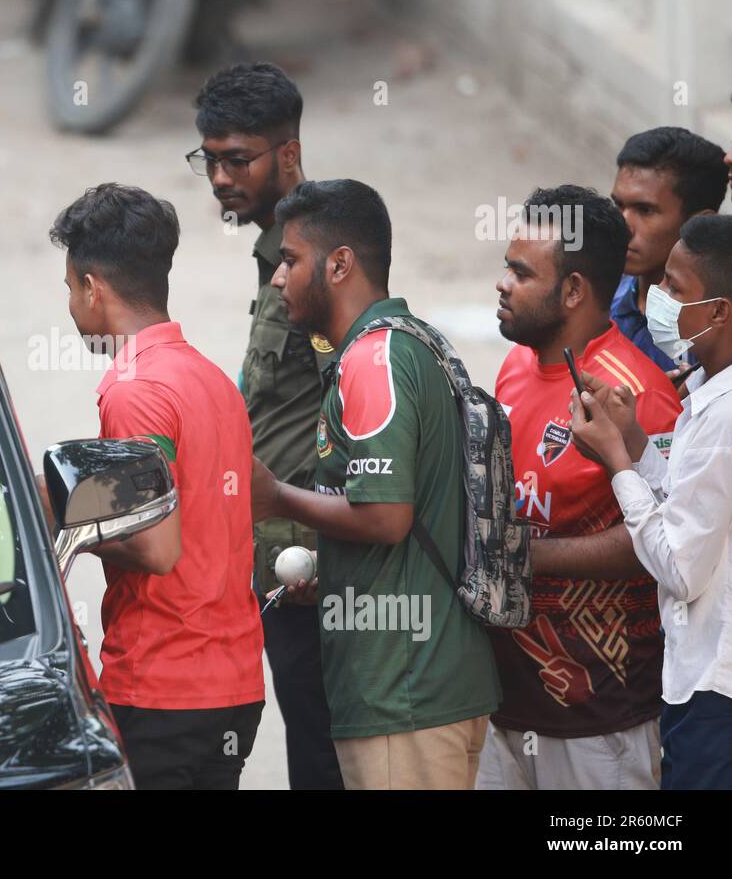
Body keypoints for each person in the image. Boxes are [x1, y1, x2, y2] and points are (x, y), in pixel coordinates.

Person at [251, 178, 501, 789]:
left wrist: (276, 497)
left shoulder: (372, 359)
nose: (278, 278)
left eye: (290, 259)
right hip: (429, 687)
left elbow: (386, 516)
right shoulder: (413, 343)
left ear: (339, 264)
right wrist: (329, 568)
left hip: (404, 694)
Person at [49, 182, 264, 789]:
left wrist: (67, 518)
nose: (70, 307)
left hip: (163, 689)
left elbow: (157, 547)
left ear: (94, 287)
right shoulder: (214, 381)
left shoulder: (134, 389)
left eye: (70, 288)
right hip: (234, 686)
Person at [481, 185, 682, 789]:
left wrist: (523, 555)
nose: (503, 283)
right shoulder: (515, 365)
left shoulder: (637, 395)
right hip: (505, 706)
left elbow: (667, 543)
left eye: (520, 272)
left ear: (572, 290)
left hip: (600, 720)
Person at [189, 62, 342, 789]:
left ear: (287, 154)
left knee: (323, 748)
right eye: (209, 159)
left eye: (236, 159)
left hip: (306, 560)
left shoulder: (314, 254)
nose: (220, 177)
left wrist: (318, 547)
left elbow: (353, 409)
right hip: (275, 548)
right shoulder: (271, 249)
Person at [570, 213, 732, 789]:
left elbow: (681, 568)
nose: (656, 298)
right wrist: (637, 444)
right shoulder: (704, 395)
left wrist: (617, 462)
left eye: (675, 289)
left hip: (714, 690)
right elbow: (694, 508)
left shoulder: (722, 415)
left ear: (718, 311)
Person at [610, 127, 727, 371]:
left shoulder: (714, 339)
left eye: (645, 210)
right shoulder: (594, 297)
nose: (622, 226)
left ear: (698, 221)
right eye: (618, 205)